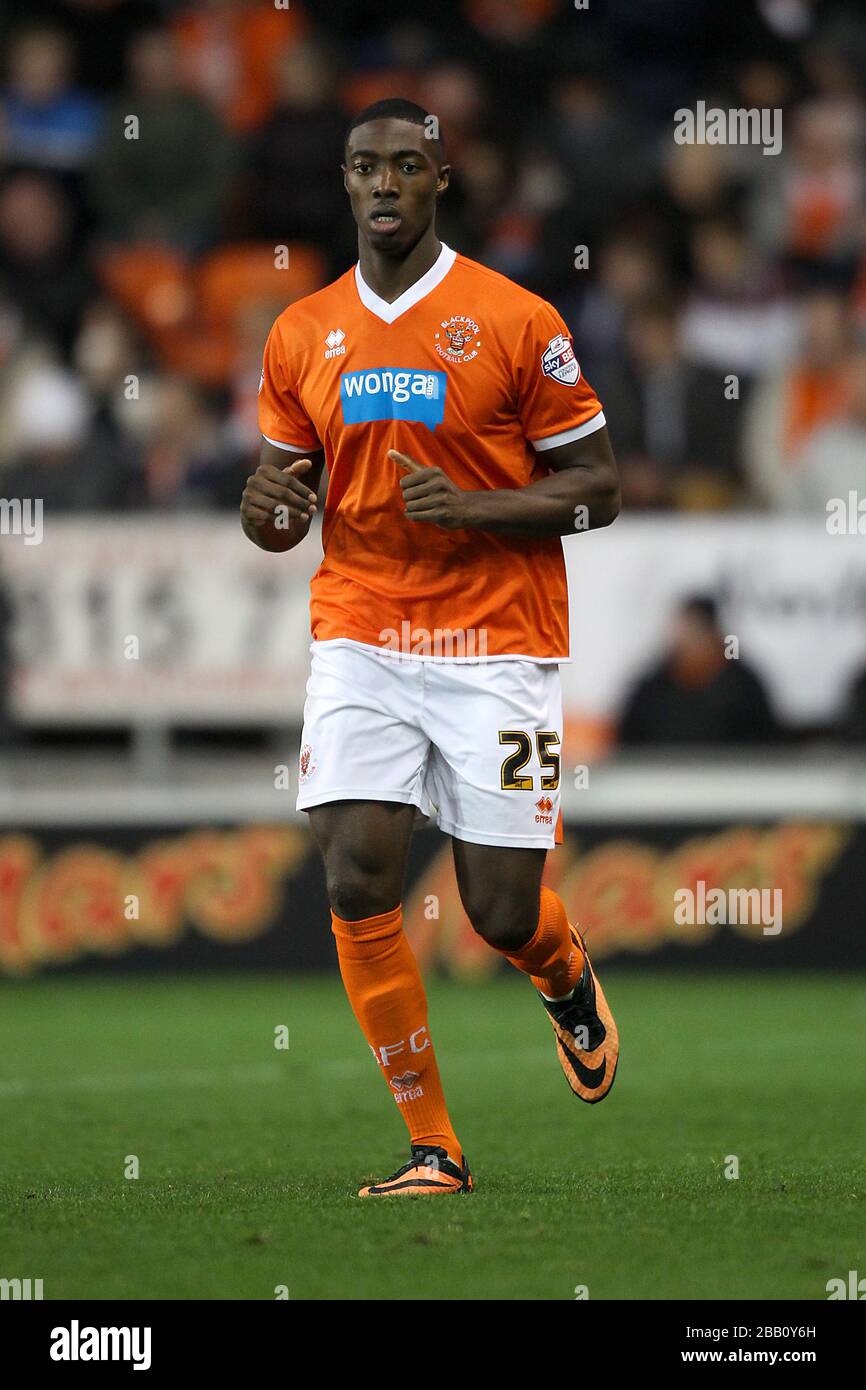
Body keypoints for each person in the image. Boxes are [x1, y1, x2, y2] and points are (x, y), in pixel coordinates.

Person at [240, 99, 621, 1198]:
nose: (385, 184)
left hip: (498, 643)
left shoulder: (514, 319)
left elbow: (597, 490)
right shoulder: (301, 332)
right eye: (366, 167)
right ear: (346, 182)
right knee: (357, 871)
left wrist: (472, 510)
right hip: (360, 629)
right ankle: (433, 1148)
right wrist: (260, 508)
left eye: (407, 165)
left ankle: (563, 975)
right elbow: (278, 513)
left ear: (440, 179)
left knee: (500, 910)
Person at [618, 595, 779, 746]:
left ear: (713, 633)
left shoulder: (742, 688)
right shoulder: (653, 689)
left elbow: (764, 745)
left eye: (694, 629)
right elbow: (630, 744)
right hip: (664, 772)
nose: (684, 638)